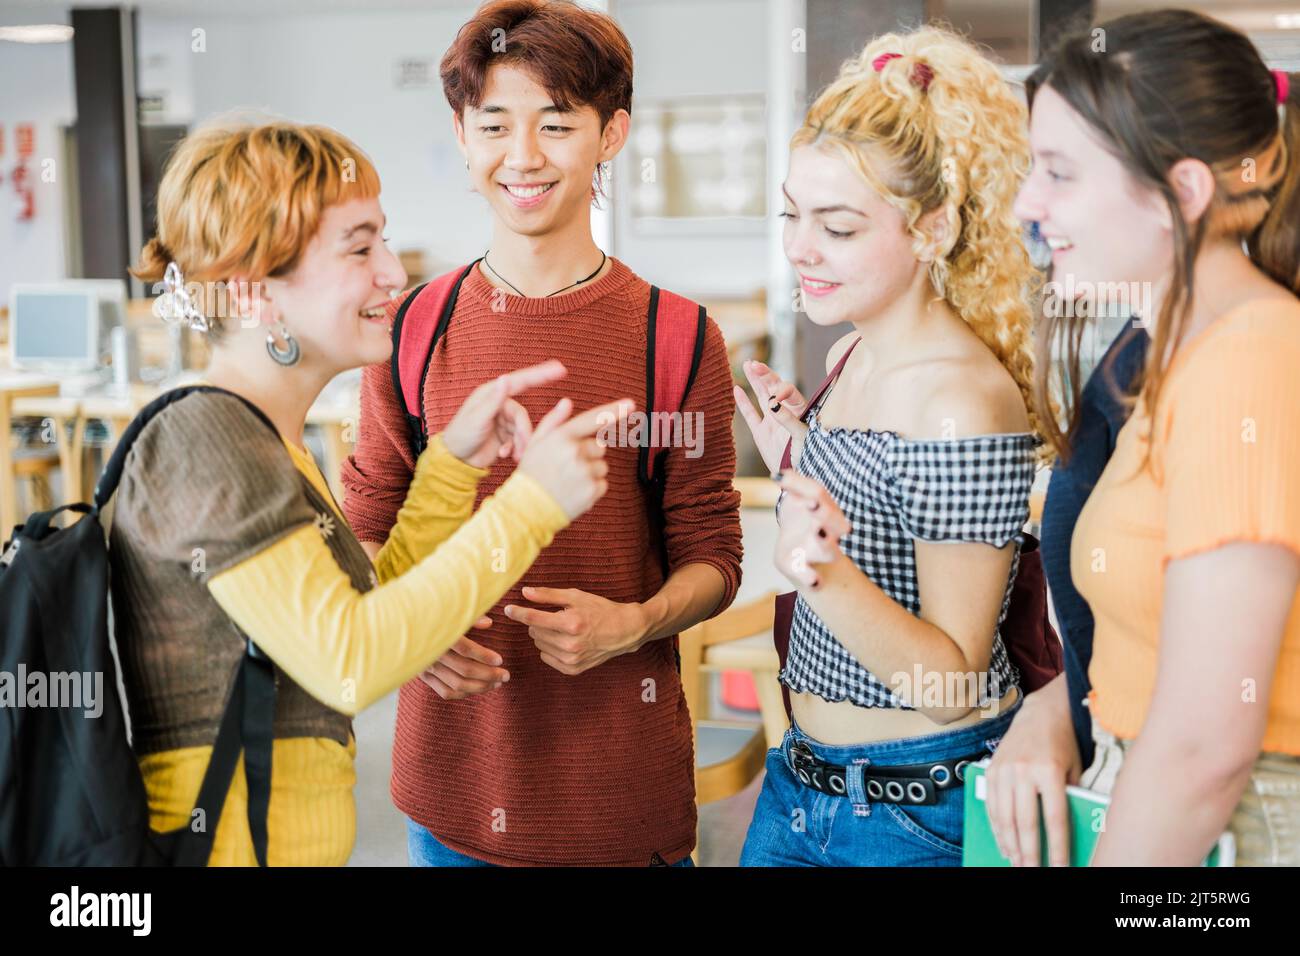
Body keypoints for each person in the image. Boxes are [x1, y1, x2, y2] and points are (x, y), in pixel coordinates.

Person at [123, 118, 624, 865]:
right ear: (254, 295)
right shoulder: (209, 438)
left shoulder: (264, 439)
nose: (393, 272)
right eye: (360, 248)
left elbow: (362, 609)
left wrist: (450, 467)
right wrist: (531, 506)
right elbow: (348, 661)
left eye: (382, 240)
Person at [341, 0, 743, 867]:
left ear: (612, 134)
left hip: (620, 800)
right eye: (495, 125)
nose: (522, 157)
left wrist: (634, 624)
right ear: (462, 134)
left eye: (557, 124)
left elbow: (714, 554)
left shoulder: (676, 336)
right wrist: (409, 631)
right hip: (448, 795)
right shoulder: (409, 327)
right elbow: (365, 520)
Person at [990, 7, 1300, 866]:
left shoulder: (1252, 356)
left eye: (1058, 173)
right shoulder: (1165, 357)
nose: (1027, 204)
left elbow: (1205, 746)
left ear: (1185, 192)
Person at [733, 25, 1041, 866]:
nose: (799, 248)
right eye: (794, 216)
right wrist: (802, 455)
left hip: (916, 808)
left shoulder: (962, 400)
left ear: (934, 229)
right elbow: (879, 517)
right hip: (802, 779)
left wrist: (821, 572)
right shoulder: (849, 354)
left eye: (836, 227)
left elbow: (948, 686)